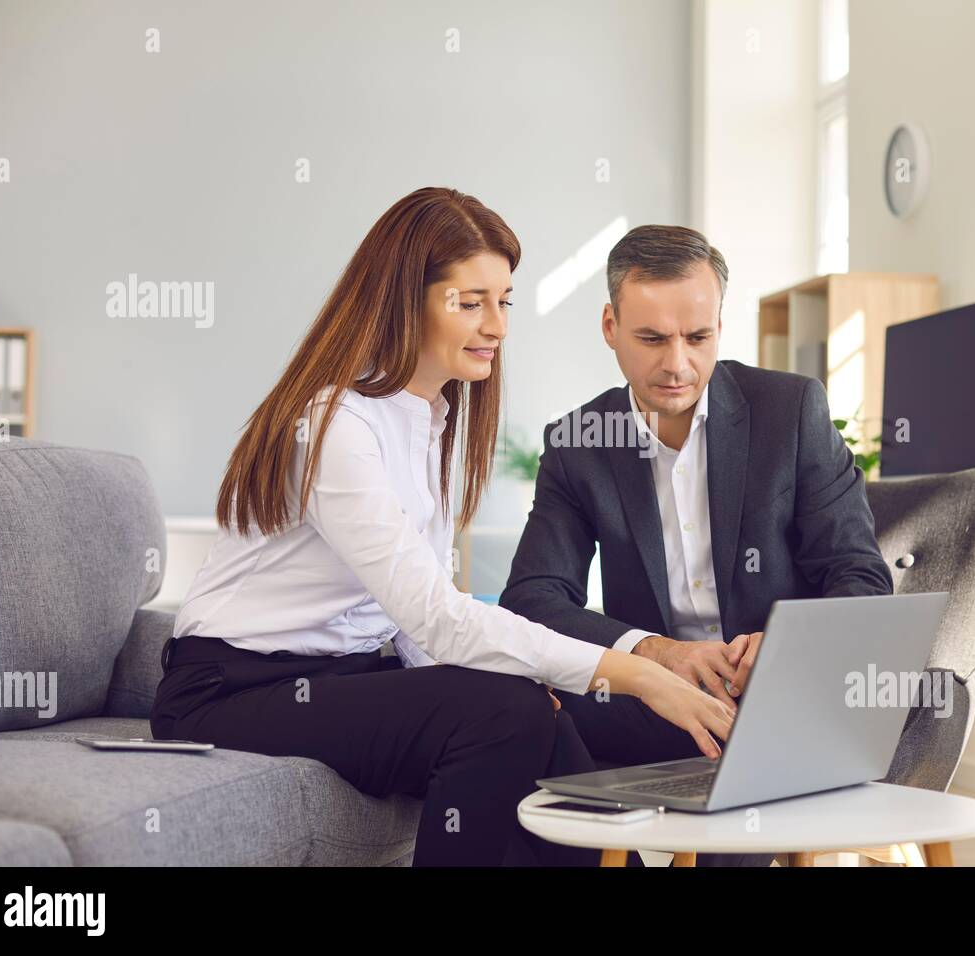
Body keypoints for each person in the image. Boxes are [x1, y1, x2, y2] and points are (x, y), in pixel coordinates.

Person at [150, 189, 734, 867]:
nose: (498, 325)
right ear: (406, 299)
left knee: (535, 714)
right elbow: (434, 617)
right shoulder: (336, 423)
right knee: (500, 714)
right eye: (471, 301)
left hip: (351, 674)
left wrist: (534, 682)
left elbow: (415, 632)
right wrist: (636, 673)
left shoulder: (431, 419)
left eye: (504, 300)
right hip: (233, 690)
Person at [499, 224, 895, 866]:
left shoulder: (789, 412)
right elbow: (534, 597)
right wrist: (656, 655)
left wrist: (789, 646)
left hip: (772, 694)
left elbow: (858, 576)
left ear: (718, 325)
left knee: (752, 766)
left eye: (698, 337)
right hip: (652, 700)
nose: (677, 363)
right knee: (512, 712)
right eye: (652, 338)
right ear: (610, 325)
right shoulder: (579, 444)